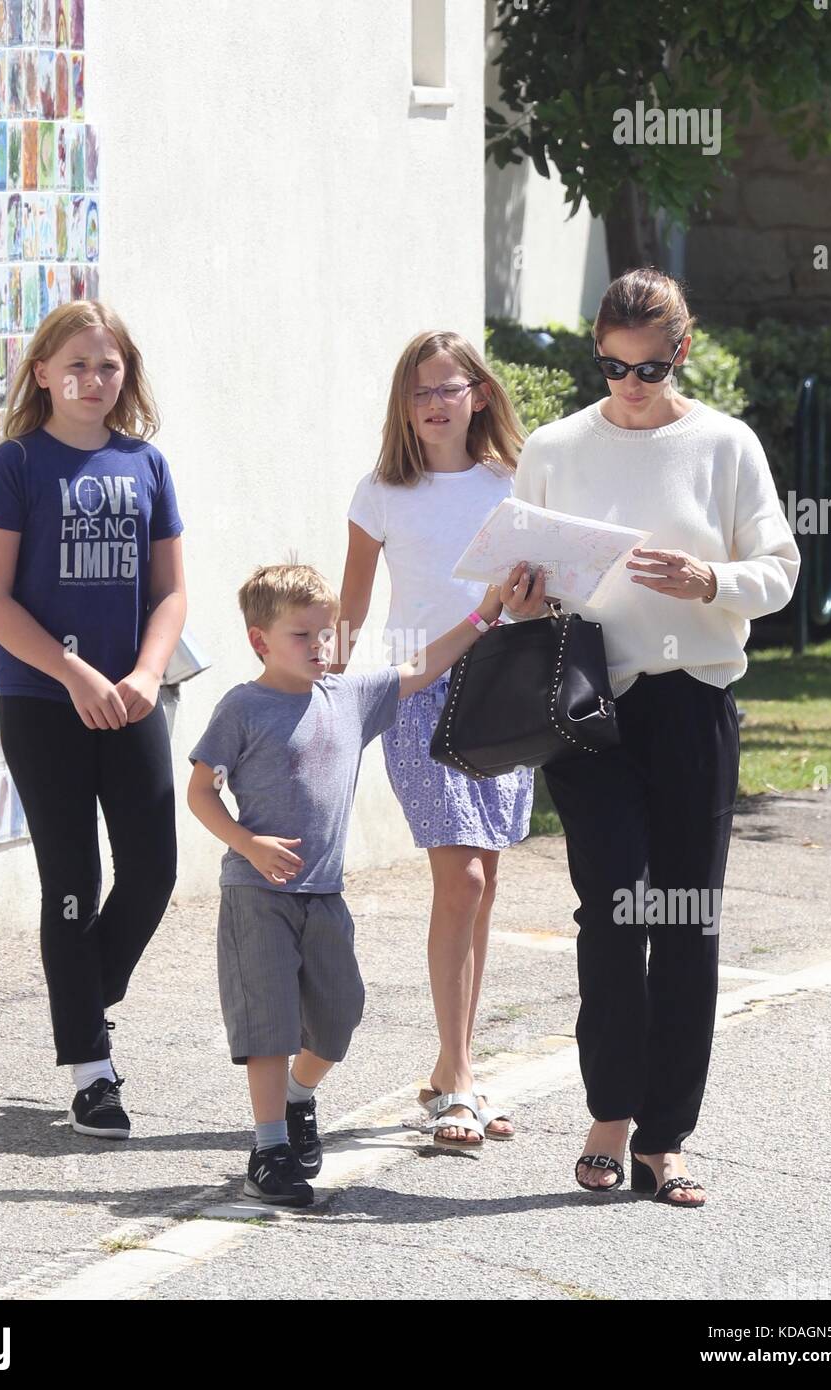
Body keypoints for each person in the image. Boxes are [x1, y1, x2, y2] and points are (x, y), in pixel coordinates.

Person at [512, 268, 800, 1205]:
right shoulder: (555, 447)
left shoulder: (725, 444)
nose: (628, 386)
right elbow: (522, 573)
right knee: (613, 905)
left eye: (645, 367)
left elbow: (781, 569)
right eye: (609, 366)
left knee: (683, 915)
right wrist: (518, 596)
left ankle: (665, 1135)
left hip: (692, 702)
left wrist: (711, 582)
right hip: (588, 704)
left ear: (681, 349)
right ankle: (608, 1113)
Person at [186, 557, 539, 1205]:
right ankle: (269, 1151)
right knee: (268, 1025)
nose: (321, 647)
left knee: (339, 1018)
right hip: (255, 895)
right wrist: (246, 842)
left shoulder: (349, 699)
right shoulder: (242, 707)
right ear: (260, 640)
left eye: (328, 635)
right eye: (303, 636)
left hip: (324, 897)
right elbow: (200, 791)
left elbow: (421, 668)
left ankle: (298, 1098)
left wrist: (486, 612)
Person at [0, 300, 186, 1141]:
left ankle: (80, 993)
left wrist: (143, 673)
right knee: (72, 883)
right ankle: (93, 1072)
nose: (94, 380)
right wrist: (72, 673)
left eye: (109, 366)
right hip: (43, 703)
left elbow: (170, 593)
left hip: (132, 699)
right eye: (78, 365)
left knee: (153, 871)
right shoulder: (16, 464)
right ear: (42, 373)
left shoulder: (147, 464)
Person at [334, 331, 535, 1153]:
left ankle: (458, 1066)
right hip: (418, 695)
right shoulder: (382, 491)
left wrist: (525, 597)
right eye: (419, 392)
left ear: (479, 394)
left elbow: (546, 591)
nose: (433, 404)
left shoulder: (515, 483)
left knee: (483, 881)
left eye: (448, 389)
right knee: (460, 878)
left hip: (505, 696)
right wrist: (321, 701)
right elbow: (347, 612)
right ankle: (455, 1082)